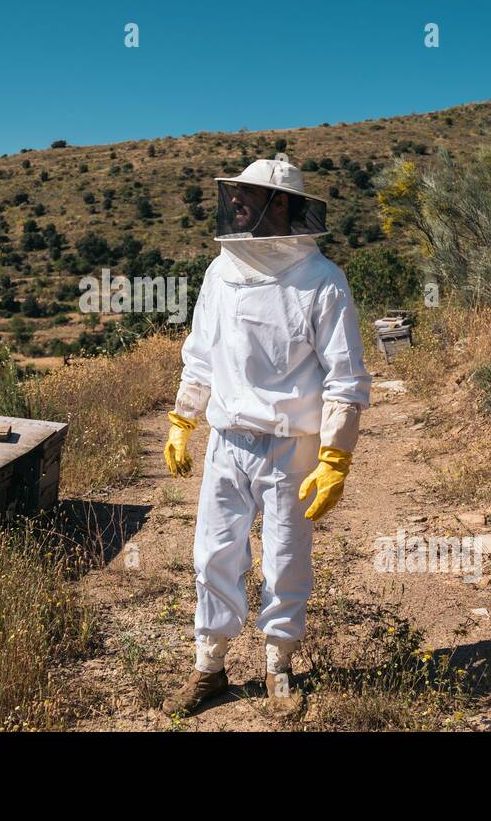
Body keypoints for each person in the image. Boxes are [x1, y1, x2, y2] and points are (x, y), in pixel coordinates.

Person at [161, 157, 372, 717]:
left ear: (280, 205)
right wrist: (184, 420)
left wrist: (334, 458)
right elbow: (201, 356)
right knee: (213, 556)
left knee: (284, 560)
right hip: (227, 441)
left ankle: (280, 666)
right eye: (236, 195)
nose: (237, 203)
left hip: (291, 447)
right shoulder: (219, 272)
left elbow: (345, 378)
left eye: (250, 196)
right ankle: (210, 667)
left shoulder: (322, 281)